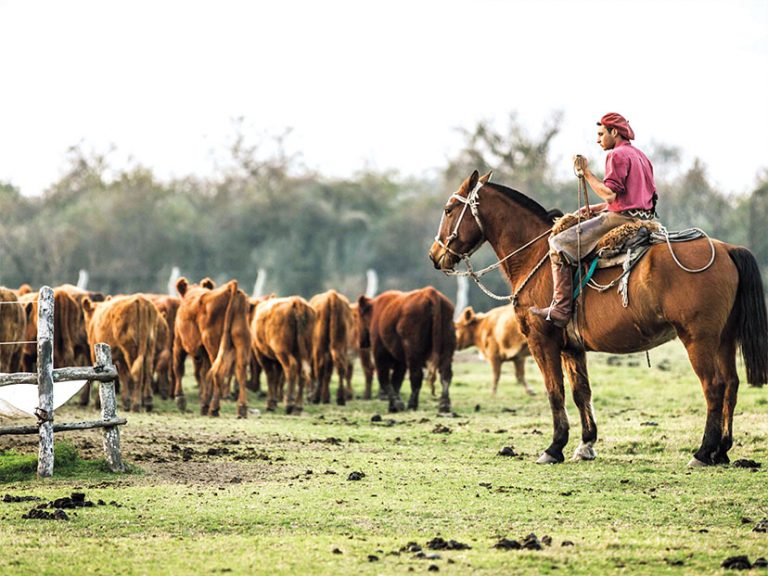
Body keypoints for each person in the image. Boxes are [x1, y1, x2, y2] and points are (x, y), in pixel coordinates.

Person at [529, 112, 657, 327]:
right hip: (644, 218)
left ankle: (560, 308)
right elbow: (630, 198)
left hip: (621, 220)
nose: (597, 140)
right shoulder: (641, 156)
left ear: (614, 132)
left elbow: (610, 194)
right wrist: (593, 210)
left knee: (558, 243)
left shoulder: (616, 155)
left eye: (600, 134)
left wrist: (586, 172)